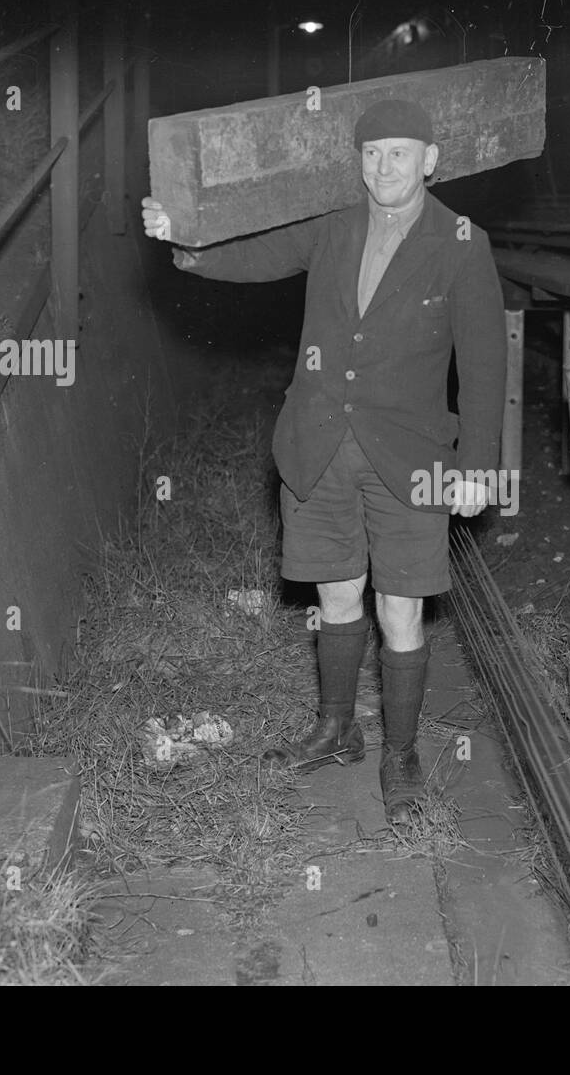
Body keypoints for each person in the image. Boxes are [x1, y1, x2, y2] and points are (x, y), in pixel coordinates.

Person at [141, 98, 507, 824]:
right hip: (320, 448)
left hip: (409, 455)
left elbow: (487, 361)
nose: (383, 168)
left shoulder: (464, 242)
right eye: (371, 154)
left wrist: (479, 465)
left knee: (401, 610)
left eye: (399, 153)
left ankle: (398, 757)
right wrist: (184, 237)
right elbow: (258, 256)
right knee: (337, 598)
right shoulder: (335, 224)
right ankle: (337, 728)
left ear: (431, 160)